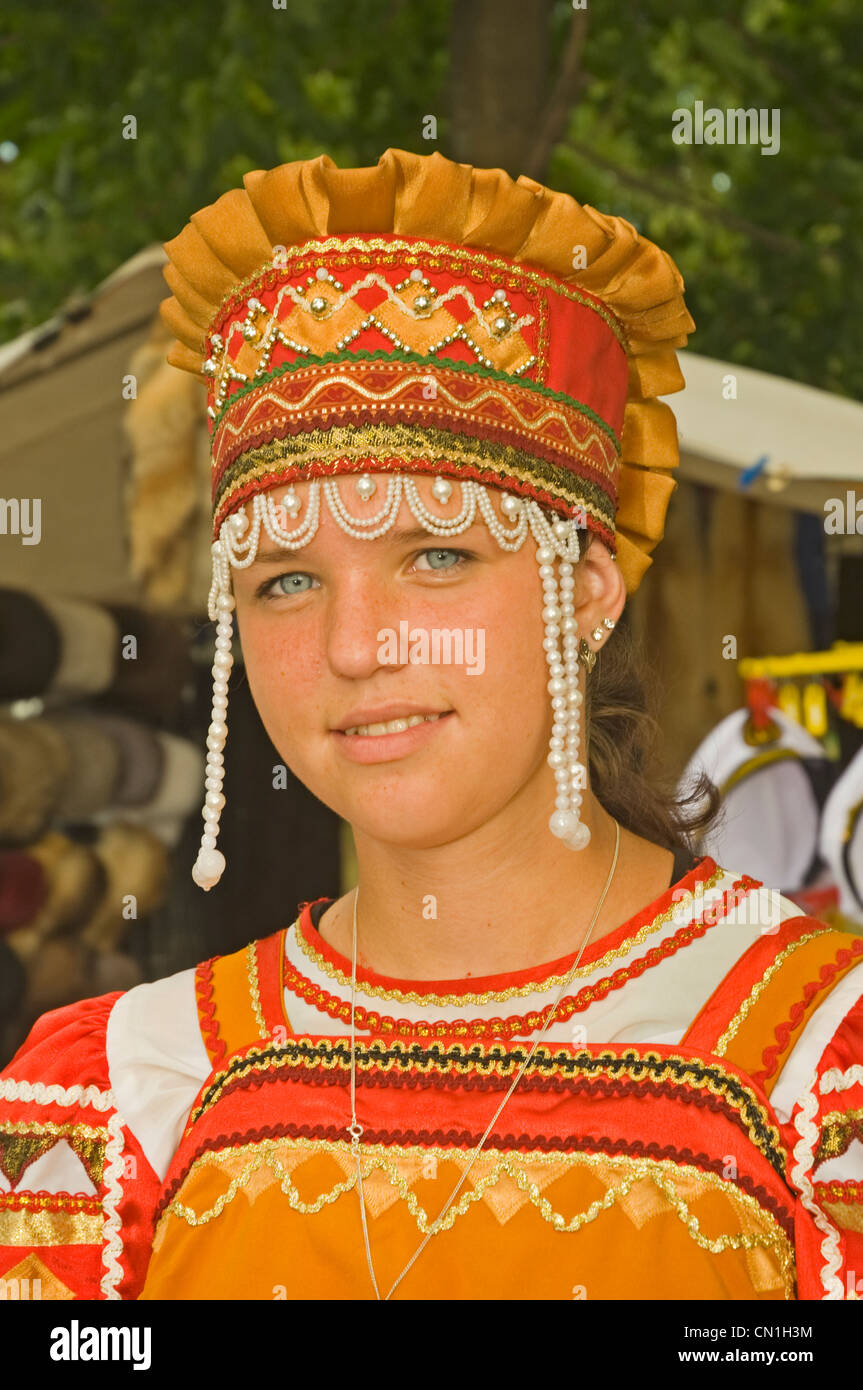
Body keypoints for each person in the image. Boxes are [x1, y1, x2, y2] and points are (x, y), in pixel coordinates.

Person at [1, 149, 860, 1302]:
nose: (356, 647)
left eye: (438, 554)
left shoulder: (821, 1062)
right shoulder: (122, 1093)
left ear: (589, 588)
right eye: (286, 581)